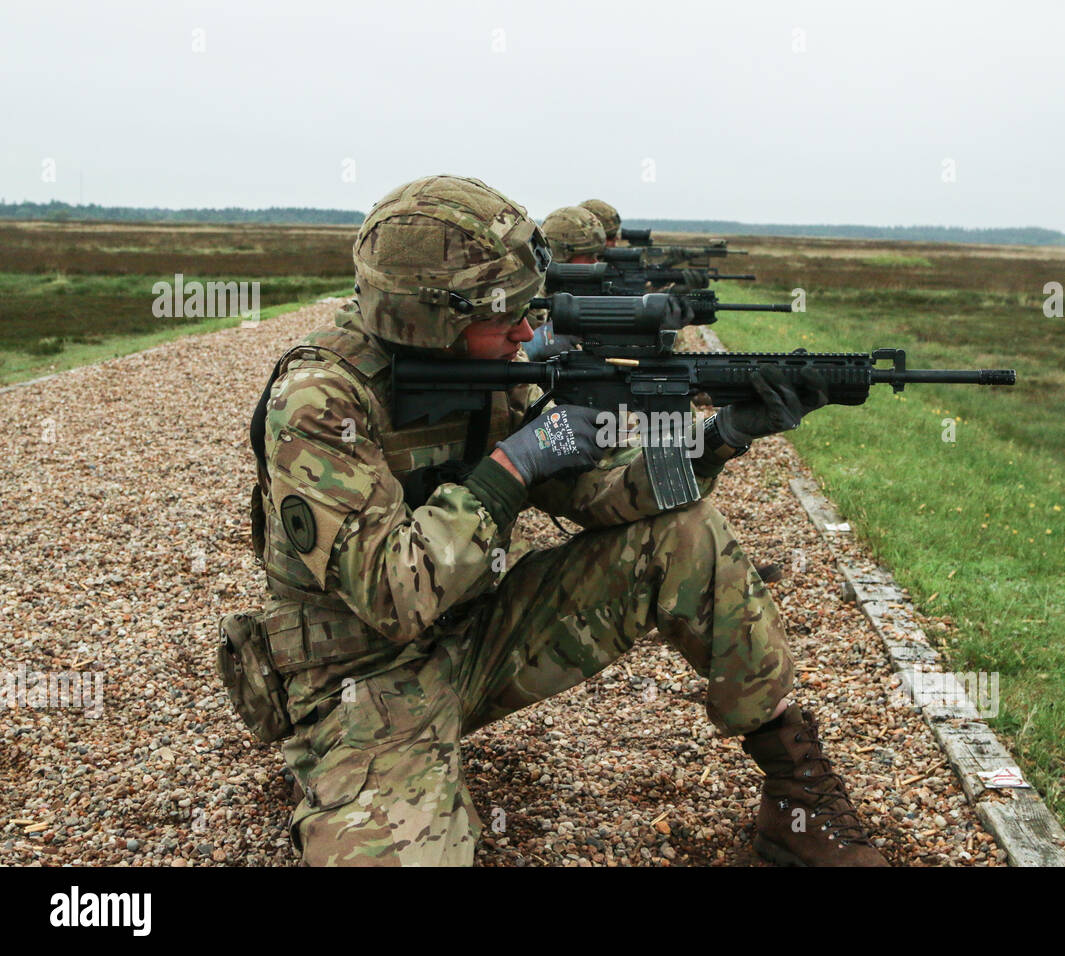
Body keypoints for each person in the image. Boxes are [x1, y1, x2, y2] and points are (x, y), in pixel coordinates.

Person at [246, 174, 889, 867]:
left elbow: (601, 492)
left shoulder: (489, 364)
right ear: (434, 318)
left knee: (683, 533)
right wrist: (514, 465)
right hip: (360, 678)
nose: (528, 331)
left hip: (477, 636)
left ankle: (799, 798)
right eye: (507, 318)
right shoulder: (318, 401)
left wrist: (721, 435)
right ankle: (352, 778)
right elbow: (394, 595)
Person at [522, 205, 608, 359]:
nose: (595, 264)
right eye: (589, 257)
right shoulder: (525, 290)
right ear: (560, 255)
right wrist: (542, 340)